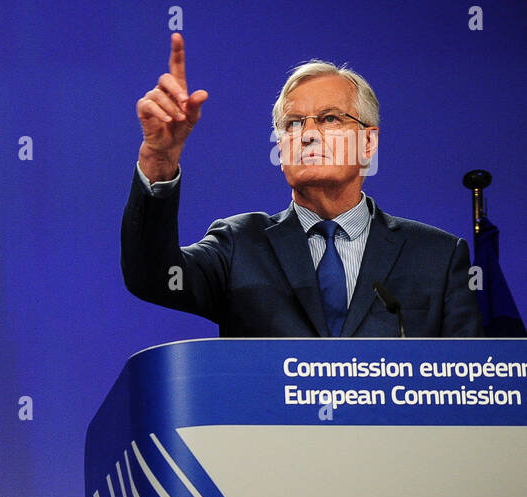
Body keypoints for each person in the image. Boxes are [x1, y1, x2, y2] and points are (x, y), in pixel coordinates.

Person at [122, 34, 481, 337]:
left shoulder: (438, 257)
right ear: (280, 147)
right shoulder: (240, 245)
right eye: (293, 124)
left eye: (329, 118)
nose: (308, 135)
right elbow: (151, 278)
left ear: (368, 143)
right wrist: (159, 159)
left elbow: (474, 386)